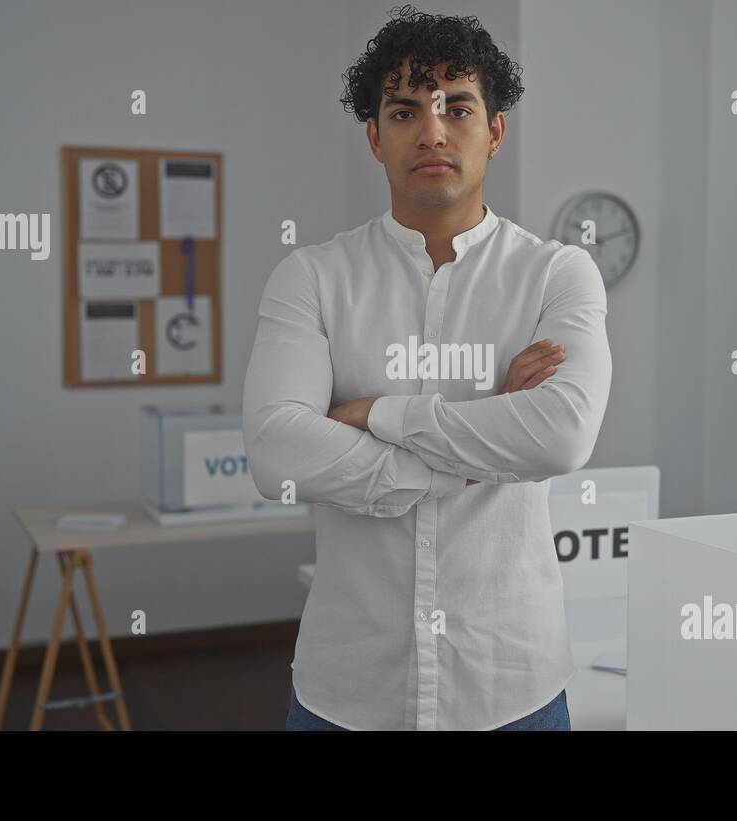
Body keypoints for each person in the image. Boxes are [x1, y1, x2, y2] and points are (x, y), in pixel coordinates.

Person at [242, 4, 611, 730]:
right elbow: (275, 453)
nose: (433, 132)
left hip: (510, 686)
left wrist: (378, 414)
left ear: (495, 131)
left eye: (458, 108)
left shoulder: (558, 275)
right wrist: (484, 442)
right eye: (406, 110)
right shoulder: (311, 277)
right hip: (348, 689)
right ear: (375, 137)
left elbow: (562, 437)